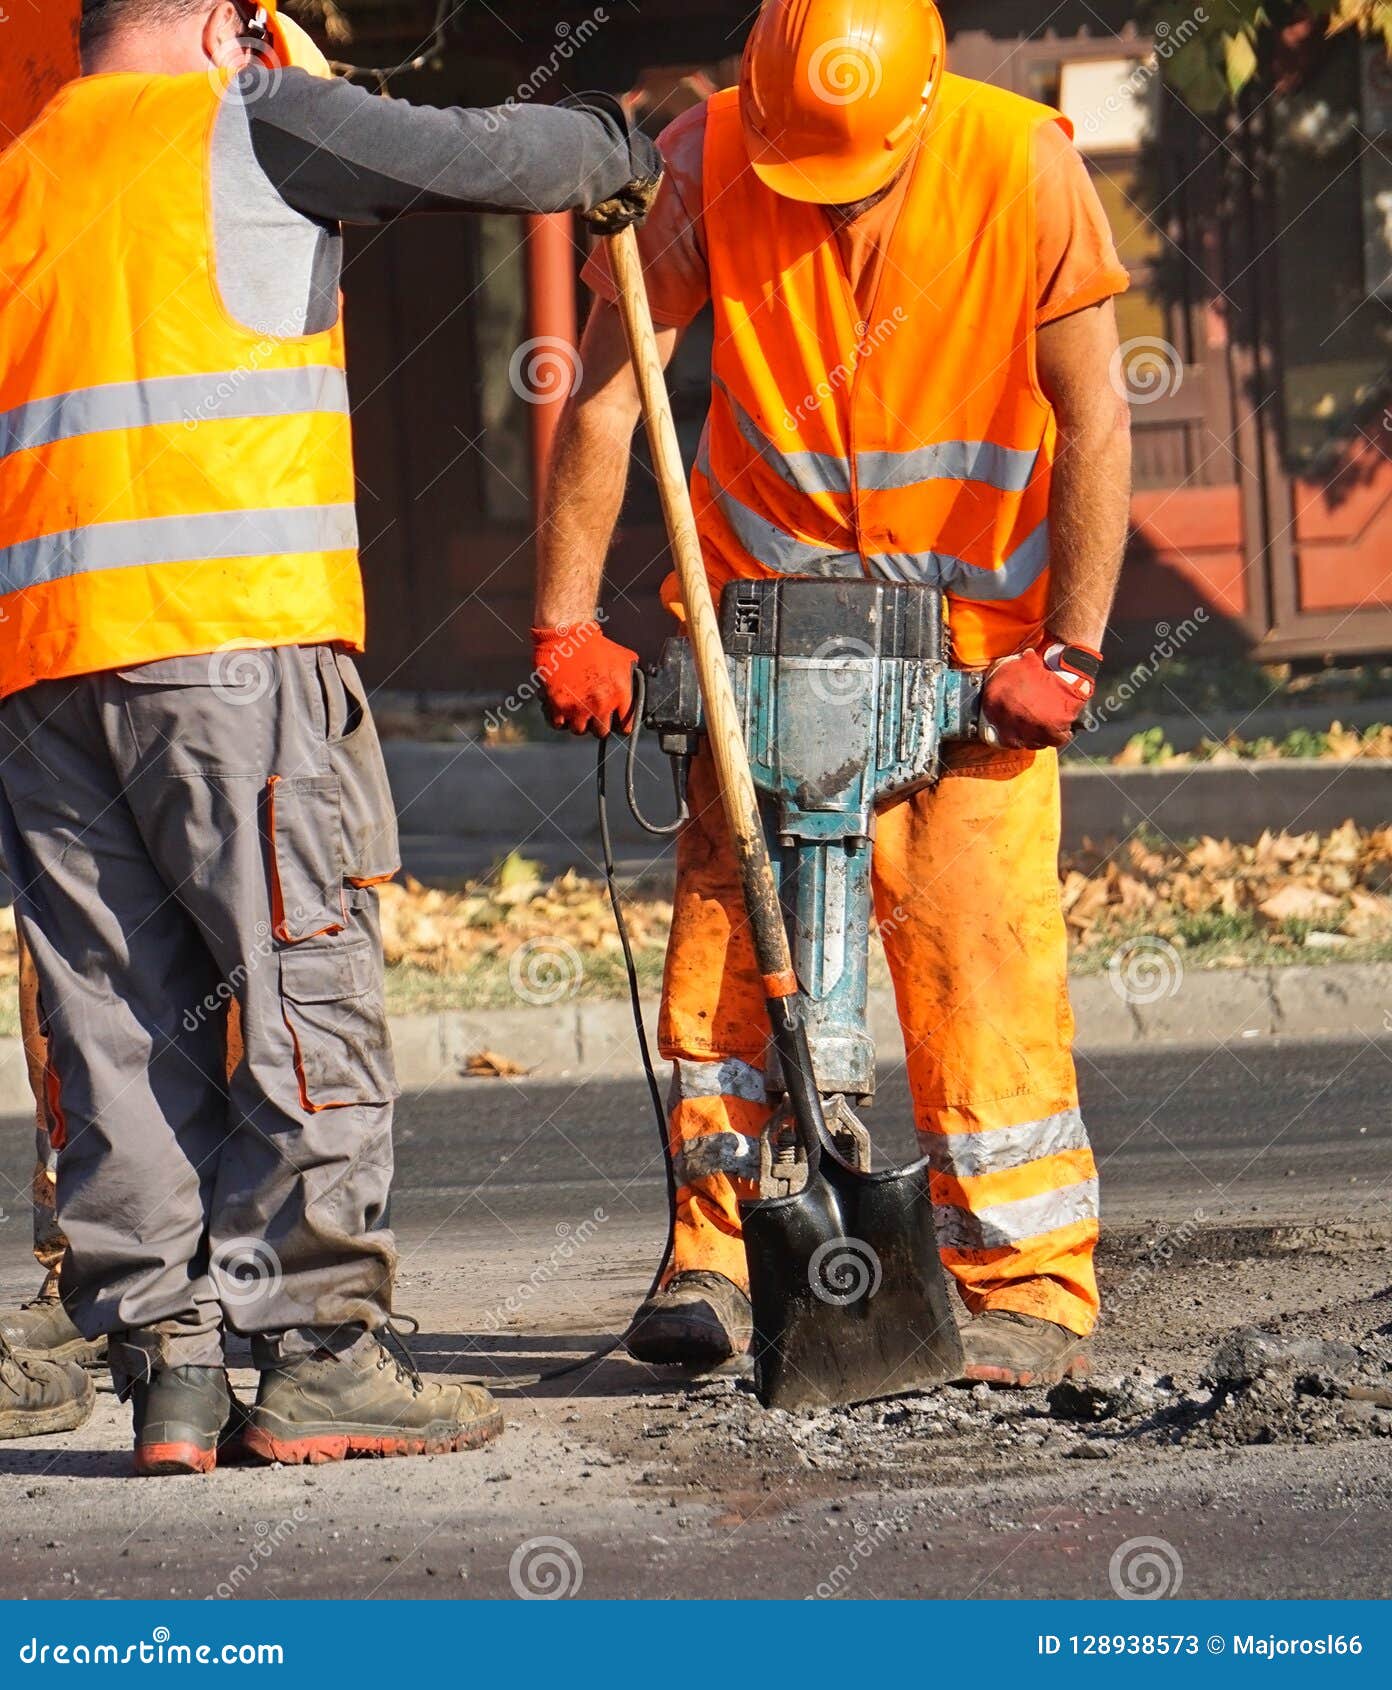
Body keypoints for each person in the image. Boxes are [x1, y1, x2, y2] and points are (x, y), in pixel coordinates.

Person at [0, 0, 660, 1474]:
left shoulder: (20, 170)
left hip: (42, 672)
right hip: (235, 650)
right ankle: (319, 1355)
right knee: (299, 982)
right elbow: (482, 155)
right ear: (224, 22)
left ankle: (171, 1368)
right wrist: (614, 142)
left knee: (117, 1017)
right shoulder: (252, 119)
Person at [534, 0, 1132, 1387]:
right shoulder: (702, 159)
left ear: (922, 108)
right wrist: (565, 622)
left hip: (971, 652)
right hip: (757, 641)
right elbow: (611, 398)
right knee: (724, 978)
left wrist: (1072, 649)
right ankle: (713, 1256)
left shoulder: (1024, 164)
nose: (830, 200)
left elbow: (1095, 411)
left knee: (980, 969)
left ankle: (1021, 1280)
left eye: (855, 177)